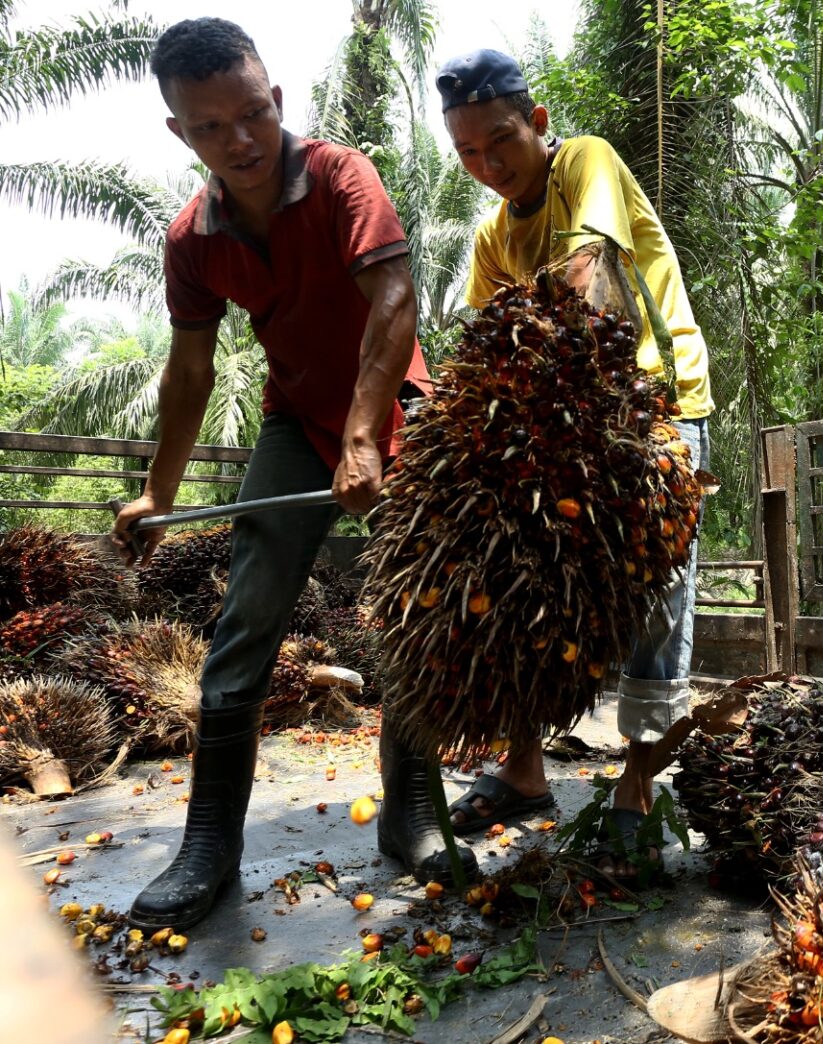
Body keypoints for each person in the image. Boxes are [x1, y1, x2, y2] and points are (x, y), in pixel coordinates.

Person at [111, 17, 473, 930]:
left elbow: (394, 301)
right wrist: (159, 490)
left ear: (275, 96)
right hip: (293, 419)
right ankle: (209, 847)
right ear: (179, 133)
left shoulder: (343, 176)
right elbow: (189, 371)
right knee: (246, 618)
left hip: (393, 414)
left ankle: (412, 809)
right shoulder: (193, 237)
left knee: (415, 612)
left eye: (253, 113)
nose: (239, 140)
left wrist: (364, 437)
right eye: (210, 127)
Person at [436, 49, 714, 878]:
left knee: (656, 597)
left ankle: (636, 791)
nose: (489, 165)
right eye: (469, 154)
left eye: (501, 141)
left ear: (539, 124)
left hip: (657, 410)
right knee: (530, 584)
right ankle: (524, 771)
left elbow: (588, 280)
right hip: (566, 429)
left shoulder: (585, 161)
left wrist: (543, 385)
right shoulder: (492, 237)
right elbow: (490, 353)